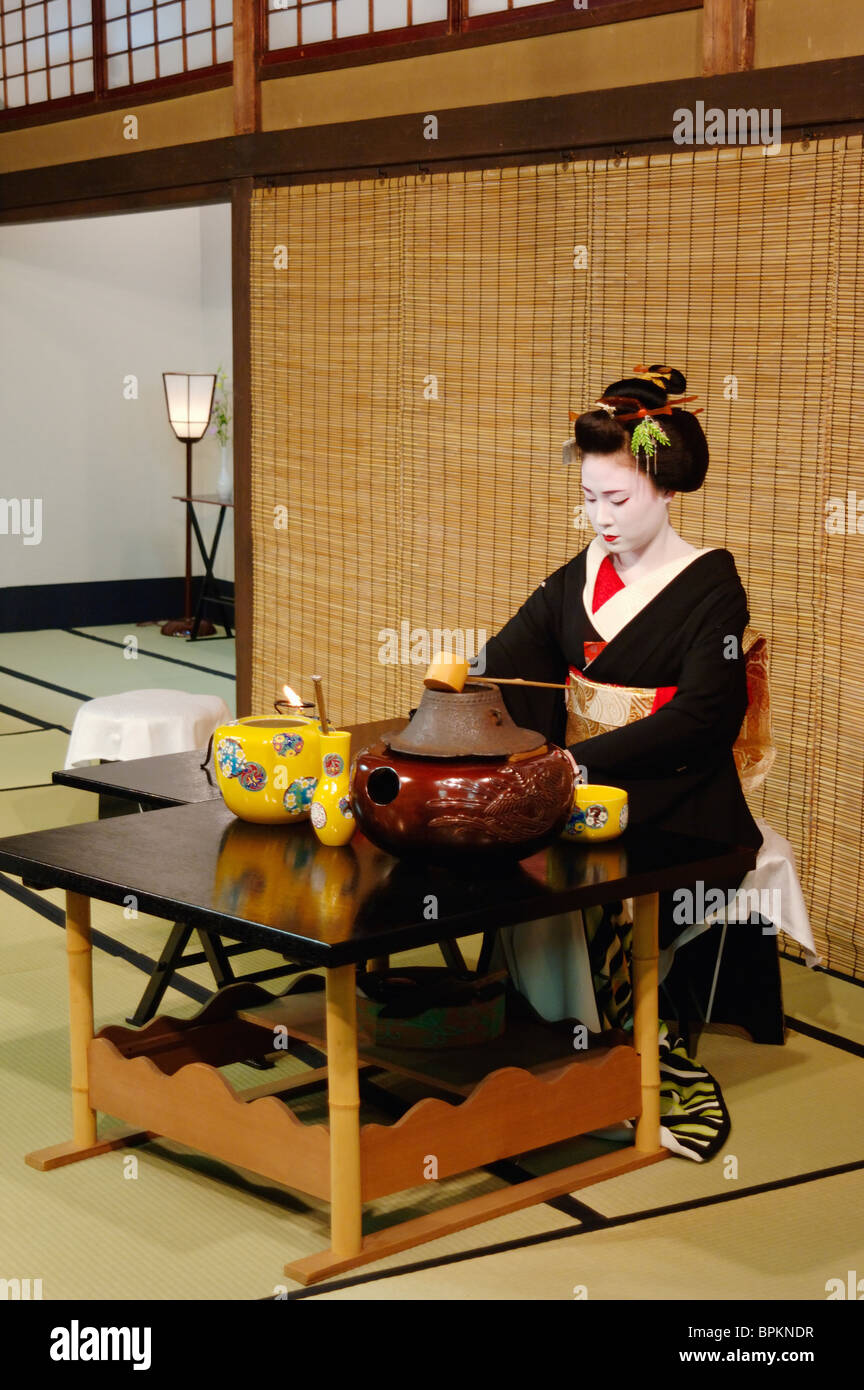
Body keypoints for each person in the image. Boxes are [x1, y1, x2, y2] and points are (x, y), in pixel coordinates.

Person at [475, 367, 789, 1154]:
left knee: (579, 869)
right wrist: (456, 711)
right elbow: (506, 664)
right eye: (589, 497)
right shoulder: (578, 576)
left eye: (617, 499)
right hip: (581, 778)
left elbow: (703, 720)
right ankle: (537, 1050)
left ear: (667, 490)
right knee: (504, 846)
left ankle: (605, 1060)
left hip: (675, 794)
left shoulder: (712, 586)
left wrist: (579, 765)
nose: (600, 517)